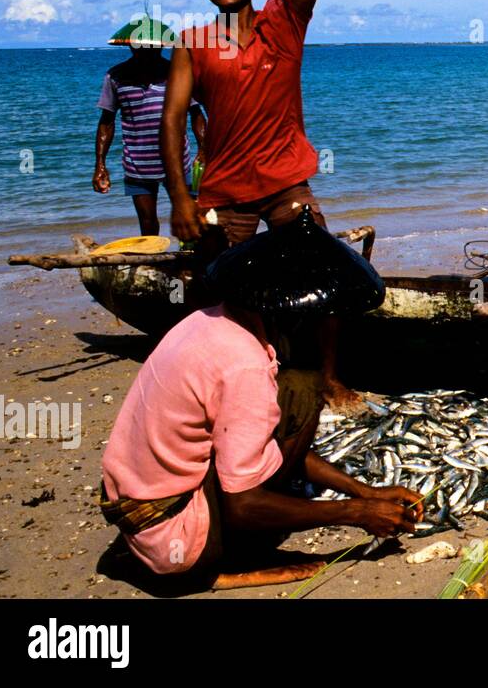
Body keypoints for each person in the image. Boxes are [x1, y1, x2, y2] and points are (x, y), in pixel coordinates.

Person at [99, 219, 418, 583]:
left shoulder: (207, 320)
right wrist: (356, 512)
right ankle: (226, 567)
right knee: (303, 387)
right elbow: (243, 505)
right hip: (176, 544)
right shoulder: (245, 364)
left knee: (294, 390)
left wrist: (363, 490)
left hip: (137, 510)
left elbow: (263, 443)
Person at [160, 0, 358, 412]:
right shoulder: (192, 45)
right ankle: (236, 380)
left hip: (287, 182)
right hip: (225, 190)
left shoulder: (284, 20)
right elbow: (172, 120)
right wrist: (182, 198)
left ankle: (327, 377)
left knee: (323, 277)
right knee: (218, 293)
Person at [94, 19, 205, 235]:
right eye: (140, 47)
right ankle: (153, 266)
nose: (146, 52)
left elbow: (196, 114)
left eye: (151, 48)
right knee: (147, 225)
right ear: (131, 46)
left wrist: (203, 150)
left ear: (161, 47)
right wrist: (100, 164)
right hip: (138, 165)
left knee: (191, 219)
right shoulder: (115, 76)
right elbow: (107, 121)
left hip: (179, 163)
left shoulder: (177, 73)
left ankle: (192, 265)